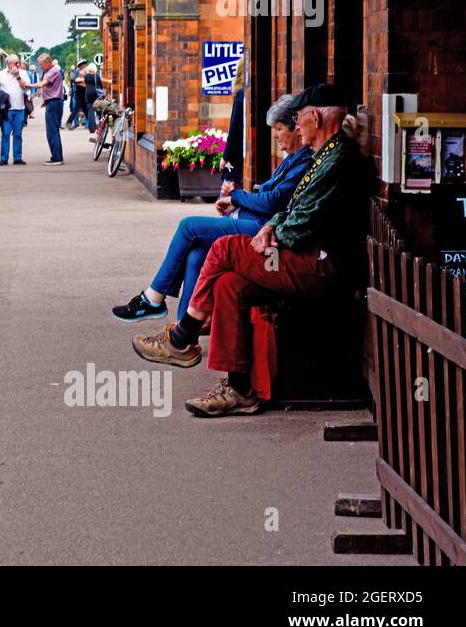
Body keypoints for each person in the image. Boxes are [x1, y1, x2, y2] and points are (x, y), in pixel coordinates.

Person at [130, 83, 372, 417]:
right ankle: (239, 389)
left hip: (320, 266)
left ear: (315, 117)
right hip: (303, 257)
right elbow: (296, 208)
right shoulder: (324, 156)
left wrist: (273, 232)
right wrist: (272, 226)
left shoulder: (336, 161)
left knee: (225, 248)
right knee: (230, 285)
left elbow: (304, 223)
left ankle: (182, 338)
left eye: (298, 119)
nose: (296, 126)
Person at [111, 93, 310, 323]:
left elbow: (273, 202)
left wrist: (235, 196)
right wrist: (236, 202)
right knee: (196, 254)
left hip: (266, 232)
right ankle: (181, 331)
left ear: (295, 127)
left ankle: (153, 299)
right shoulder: (291, 158)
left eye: (278, 128)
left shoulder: (303, 161)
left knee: (189, 227)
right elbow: (267, 195)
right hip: (258, 223)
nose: (275, 135)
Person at [0, 55, 34, 165]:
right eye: (14, 63)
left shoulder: (23, 73)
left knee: (18, 134)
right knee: (5, 134)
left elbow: (26, 88)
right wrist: (1, 97)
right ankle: (3, 159)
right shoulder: (0, 75)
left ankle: (17, 158)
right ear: (8, 64)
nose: (16, 65)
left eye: (17, 63)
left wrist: (18, 76)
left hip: (19, 108)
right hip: (6, 110)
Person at [36, 52, 65, 165]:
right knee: (53, 131)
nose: (40, 66)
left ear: (48, 63)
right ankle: (57, 156)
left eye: (41, 64)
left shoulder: (51, 72)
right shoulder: (49, 71)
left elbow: (43, 84)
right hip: (52, 102)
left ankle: (57, 158)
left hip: (53, 103)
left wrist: (29, 85)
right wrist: (45, 100)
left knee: (52, 131)